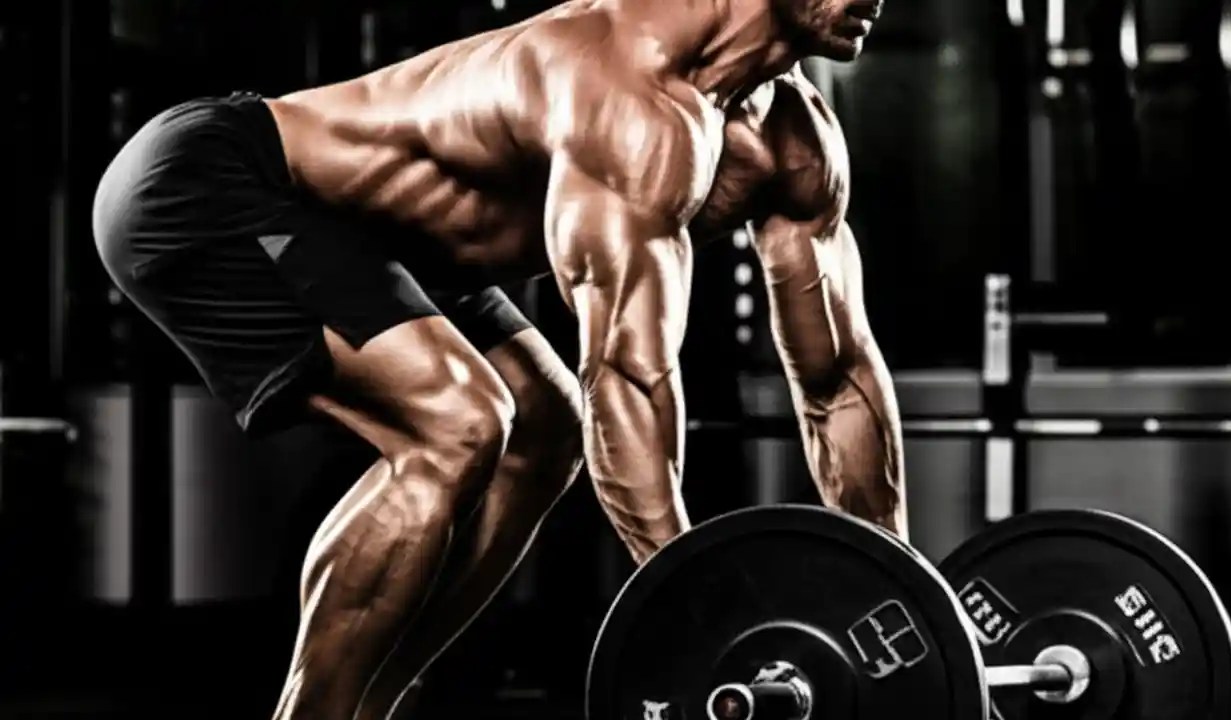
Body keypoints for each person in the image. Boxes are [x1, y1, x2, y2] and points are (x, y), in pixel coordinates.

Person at [92, 0, 904, 717]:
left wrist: (901, 603)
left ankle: (377, 704)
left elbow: (838, 378)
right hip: (217, 179)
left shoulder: (794, 142)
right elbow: (625, 373)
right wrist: (690, 596)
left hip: (384, 246)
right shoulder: (627, 87)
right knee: (461, 424)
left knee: (545, 428)